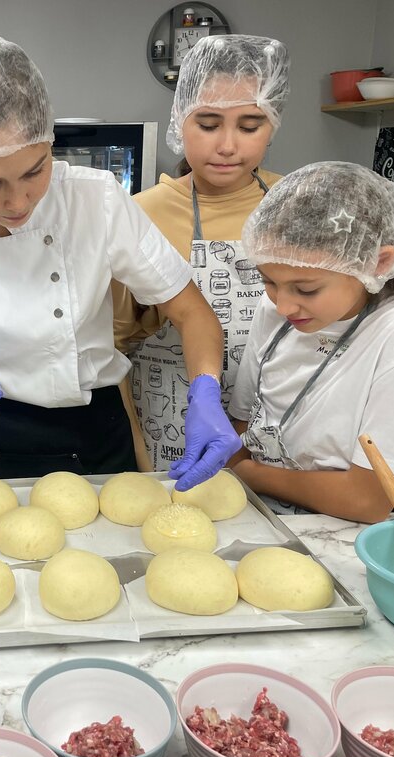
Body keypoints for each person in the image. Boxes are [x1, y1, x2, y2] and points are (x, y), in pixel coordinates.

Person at [0, 32, 236, 489]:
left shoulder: (97, 200)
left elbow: (192, 313)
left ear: (49, 143)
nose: (18, 200)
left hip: (96, 428)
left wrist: (206, 392)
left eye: (35, 170)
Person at [225, 161, 394, 522]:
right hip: (256, 514)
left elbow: (366, 501)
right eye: (268, 280)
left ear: (377, 263)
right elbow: (242, 423)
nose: (282, 304)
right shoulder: (275, 310)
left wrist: (248, 473)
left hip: (340, 534)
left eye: (307, 289)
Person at [112, 35, 290, 473]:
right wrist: (137, 451)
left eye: (250, 126)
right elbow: (112, 346)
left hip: (278, 443)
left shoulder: (297, 205)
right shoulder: (141, 215)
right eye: (208, 124)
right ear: (180, 122)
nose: (228, 145)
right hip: (172, 438)